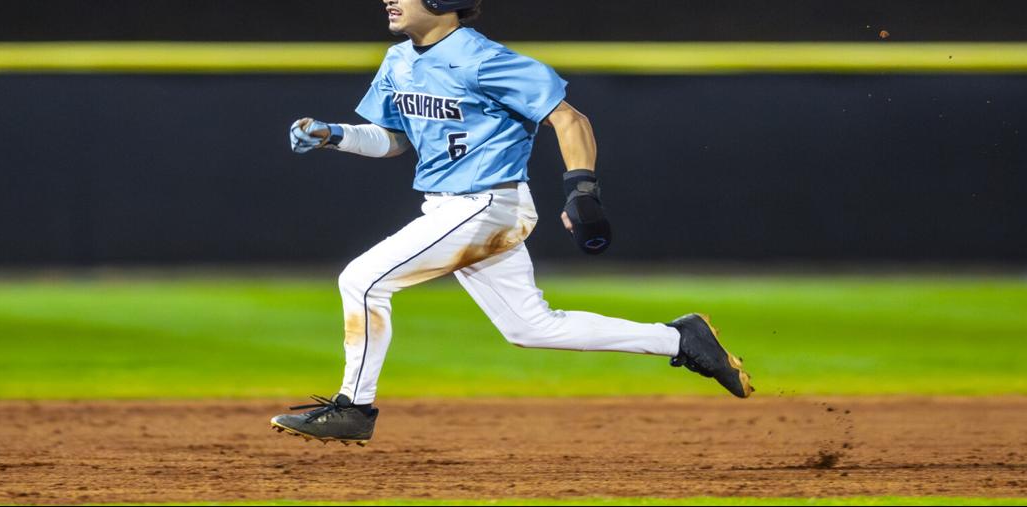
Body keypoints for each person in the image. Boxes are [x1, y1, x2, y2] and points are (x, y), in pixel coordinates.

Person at [271, 0, 753, 446]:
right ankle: (681, 339)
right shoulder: (398, 60)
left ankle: (353, 408)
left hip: (486, 203)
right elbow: (393, 139)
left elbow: (570, 119)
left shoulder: (485, 59)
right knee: (531, 327)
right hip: (448, 208)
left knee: (362, 280)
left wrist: (582, 189)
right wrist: (333, 135)